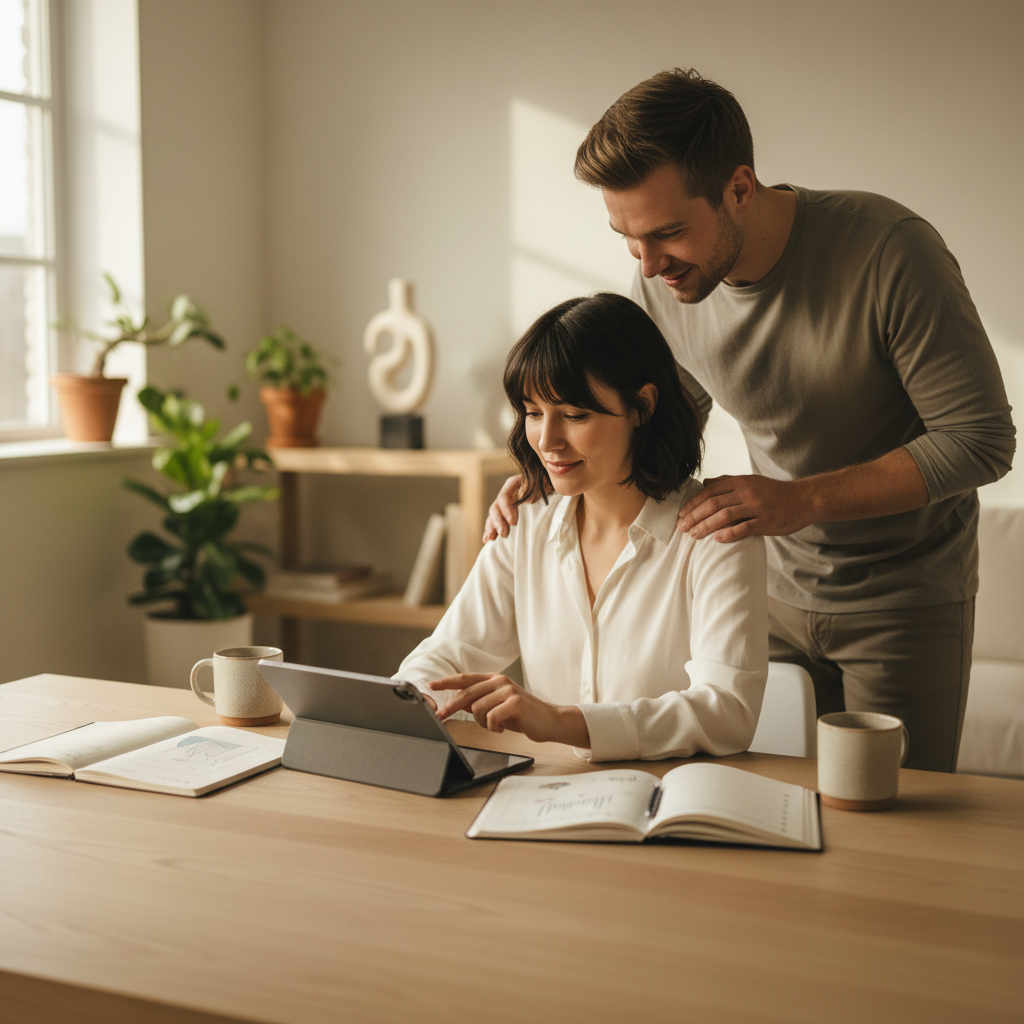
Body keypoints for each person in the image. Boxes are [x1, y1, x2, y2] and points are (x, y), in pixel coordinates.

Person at [486, 69, 1015, 772]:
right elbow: (655, 424)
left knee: (893, 834)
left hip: (902, 597)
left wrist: (802, 498)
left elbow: (981, 440)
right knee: (739, 805)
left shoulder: (890, 251)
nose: (646, 264)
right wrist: (548, 477)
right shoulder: (666, 277)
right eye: (627, 237)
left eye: (667, 233)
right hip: (769, 587)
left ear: (740, 188)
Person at [396, 292, 769, 762]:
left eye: (574, 415)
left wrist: (562, 722)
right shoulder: (524, 521)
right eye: (533, 413)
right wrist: (418, 698)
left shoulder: (716, 534)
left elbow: (726, 712)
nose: (547, 441)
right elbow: (449, 653)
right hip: (546, 800)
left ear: (642, 406)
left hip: (668, 805)